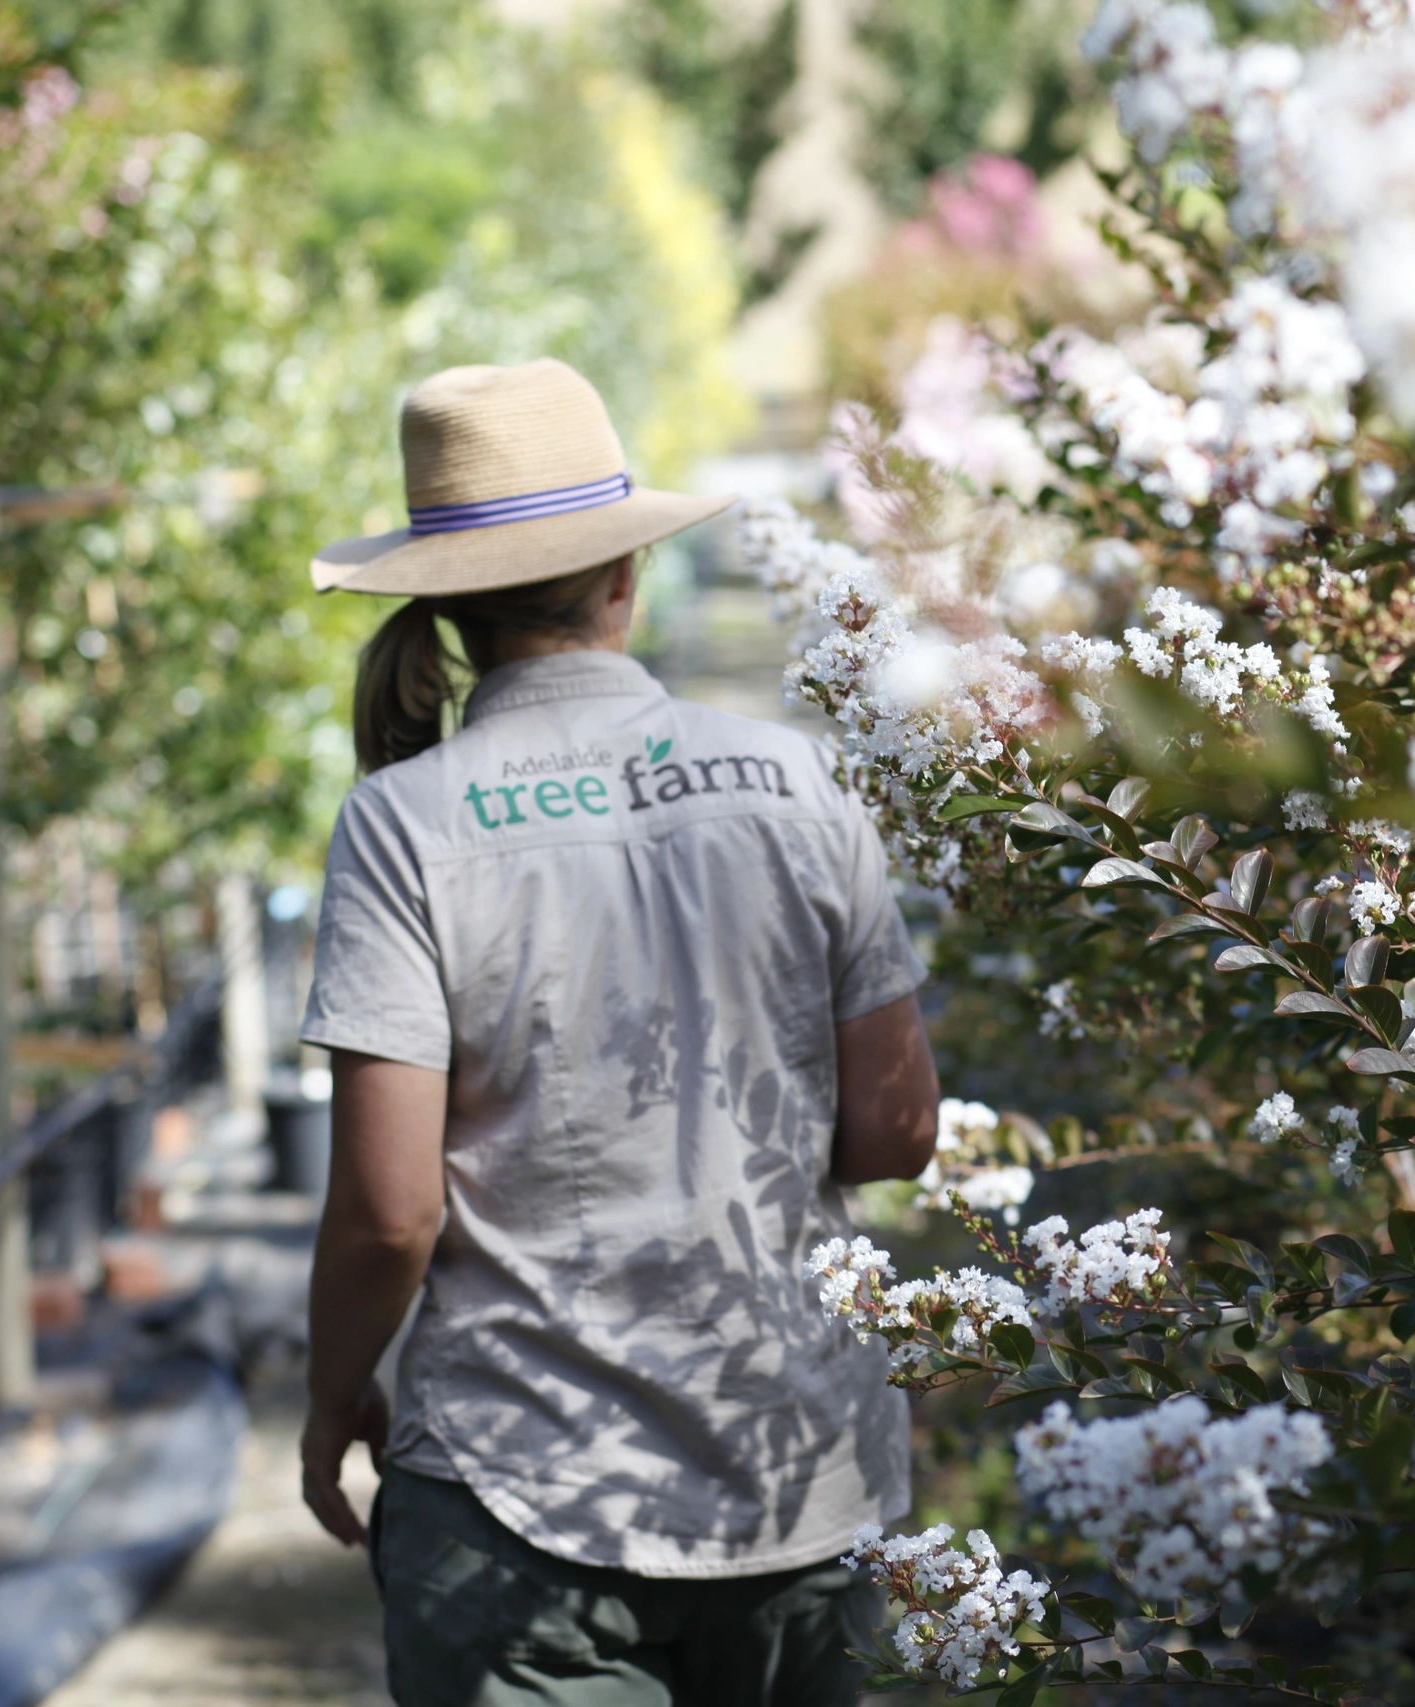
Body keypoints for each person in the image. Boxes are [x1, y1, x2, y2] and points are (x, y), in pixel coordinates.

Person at [293, 359, 937, 1707]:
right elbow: (894, 1132)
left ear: (443, 603)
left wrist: (330, 1394)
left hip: (524, 1503)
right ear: (626, 575)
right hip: (796, 1479)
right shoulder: (799, 782)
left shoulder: (406, 825)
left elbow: (391, 1215)